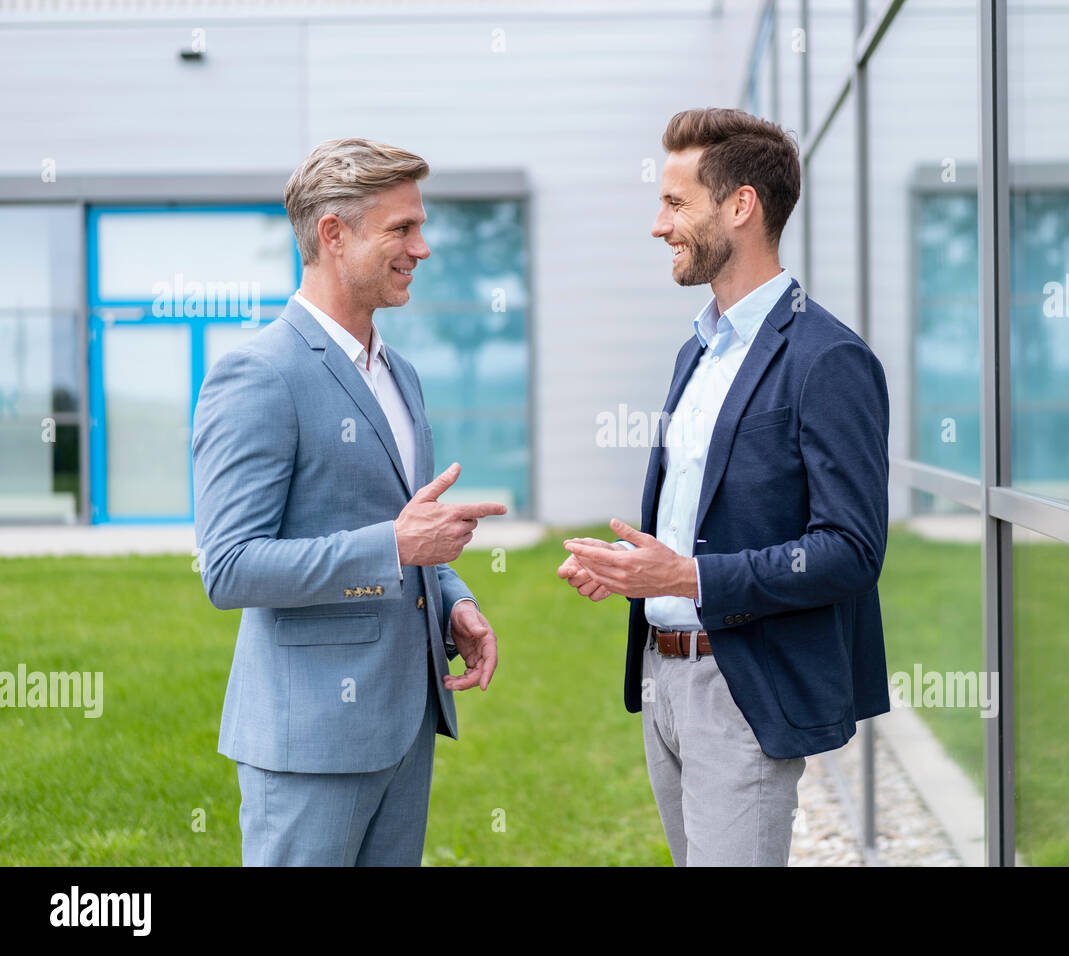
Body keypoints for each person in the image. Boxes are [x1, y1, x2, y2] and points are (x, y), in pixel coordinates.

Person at [558, 108, 891, 866]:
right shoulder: (698, 351)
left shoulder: (828, 359)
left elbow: (849, 551)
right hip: (664, 677)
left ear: (741, 206)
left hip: (744, 687)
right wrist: (640, 571)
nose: (657, 225)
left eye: (675, 203)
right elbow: (713, 516)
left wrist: (684, 575)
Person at [192, 137, 506, 866]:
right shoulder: (259, 375)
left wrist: (453, 598)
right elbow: (230, 568)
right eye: (402, 229)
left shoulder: (401, 374)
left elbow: (400, 525)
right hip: (309, 747)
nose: (422, 248)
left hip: (405, 728)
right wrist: (396, 548)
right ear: (334, 234)